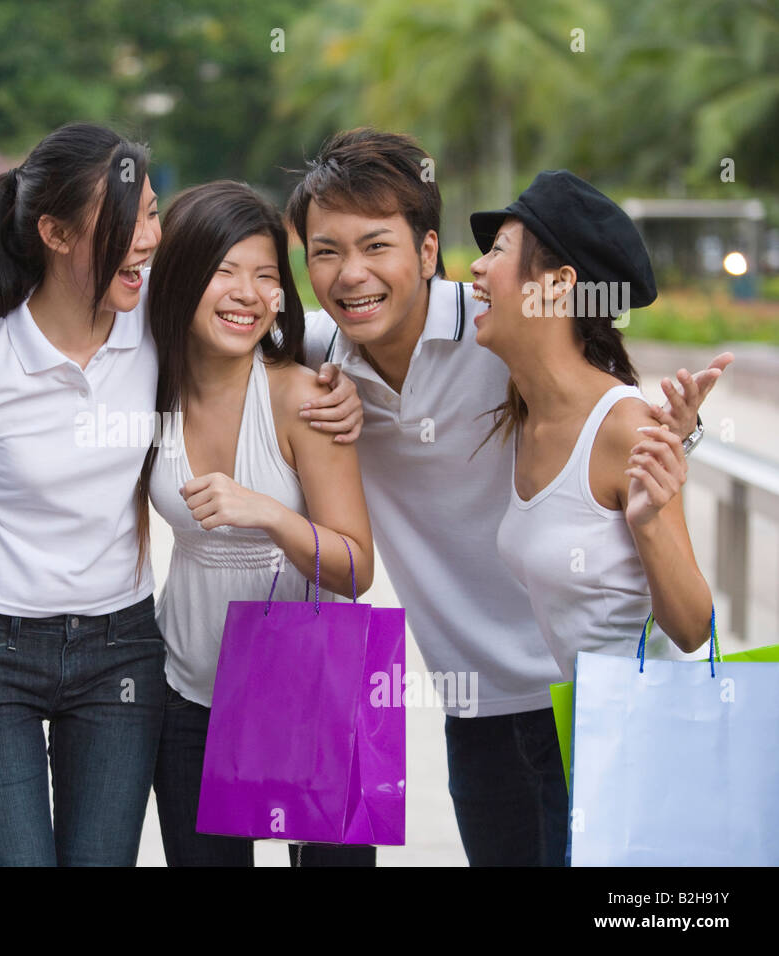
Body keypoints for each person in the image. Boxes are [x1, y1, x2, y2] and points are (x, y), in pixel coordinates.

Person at [0, 127, 363, 866]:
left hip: (134, 651)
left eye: (154, 214)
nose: (149, 238)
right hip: (2, 647)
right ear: (54, 234)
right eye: (130, 218)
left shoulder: (158, 316)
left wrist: (335, 367)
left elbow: (256, 308)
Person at [289, 128, 729, 866]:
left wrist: (675, 441)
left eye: (376, 245)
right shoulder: (320, 354)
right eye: (325, 252)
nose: (350, 274)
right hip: (477, 712)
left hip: (589, 708)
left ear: (425, 253)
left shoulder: (496, 339)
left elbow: (595, 407)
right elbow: (217, 325)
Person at [139, 180, 375, 867]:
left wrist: (268, 513)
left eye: (266, 276)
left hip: (308, 684)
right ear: (180, 276)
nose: (246, 293)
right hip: (186, 692)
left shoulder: (305, 399)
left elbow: (357, 569)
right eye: (223, 271)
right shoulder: (147, 388)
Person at [468, 170, 713, 679]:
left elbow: (694, 629)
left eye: (497, 250)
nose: (476, 266)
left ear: (558, 284)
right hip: (587, 733)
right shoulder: (525, 411)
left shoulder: (624, 428)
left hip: (642, 739)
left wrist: (646, 523)